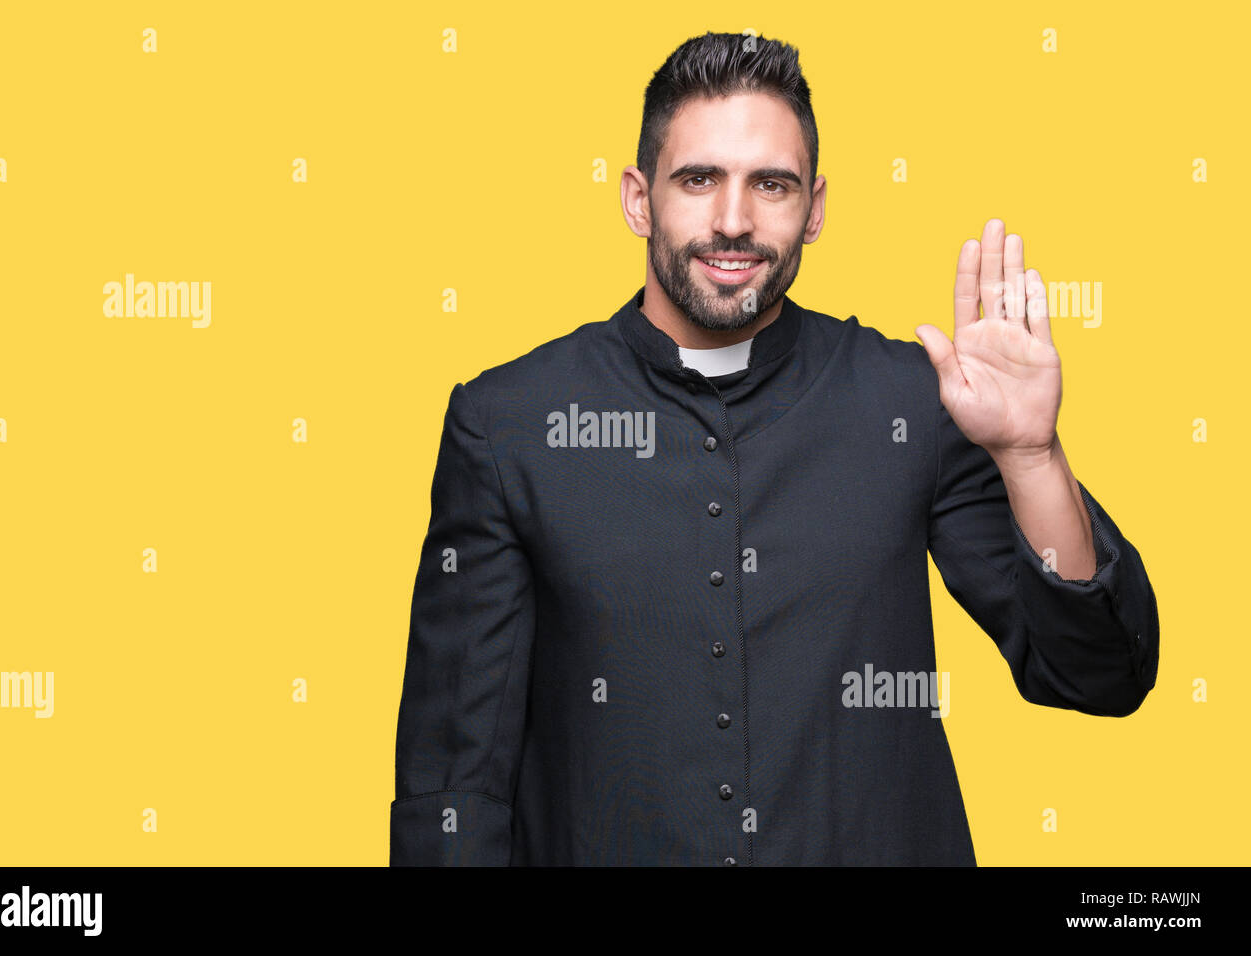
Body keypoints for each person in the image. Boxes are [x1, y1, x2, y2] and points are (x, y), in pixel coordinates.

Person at [390, 31, 1159, 866]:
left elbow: (1099, 676)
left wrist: (1032, 457)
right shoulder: (506, 423)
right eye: (699, 179)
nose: (733, 220)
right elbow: (453, 785)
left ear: (815, 208)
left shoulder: (916, 400)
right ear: (638, 200)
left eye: (771, 184)